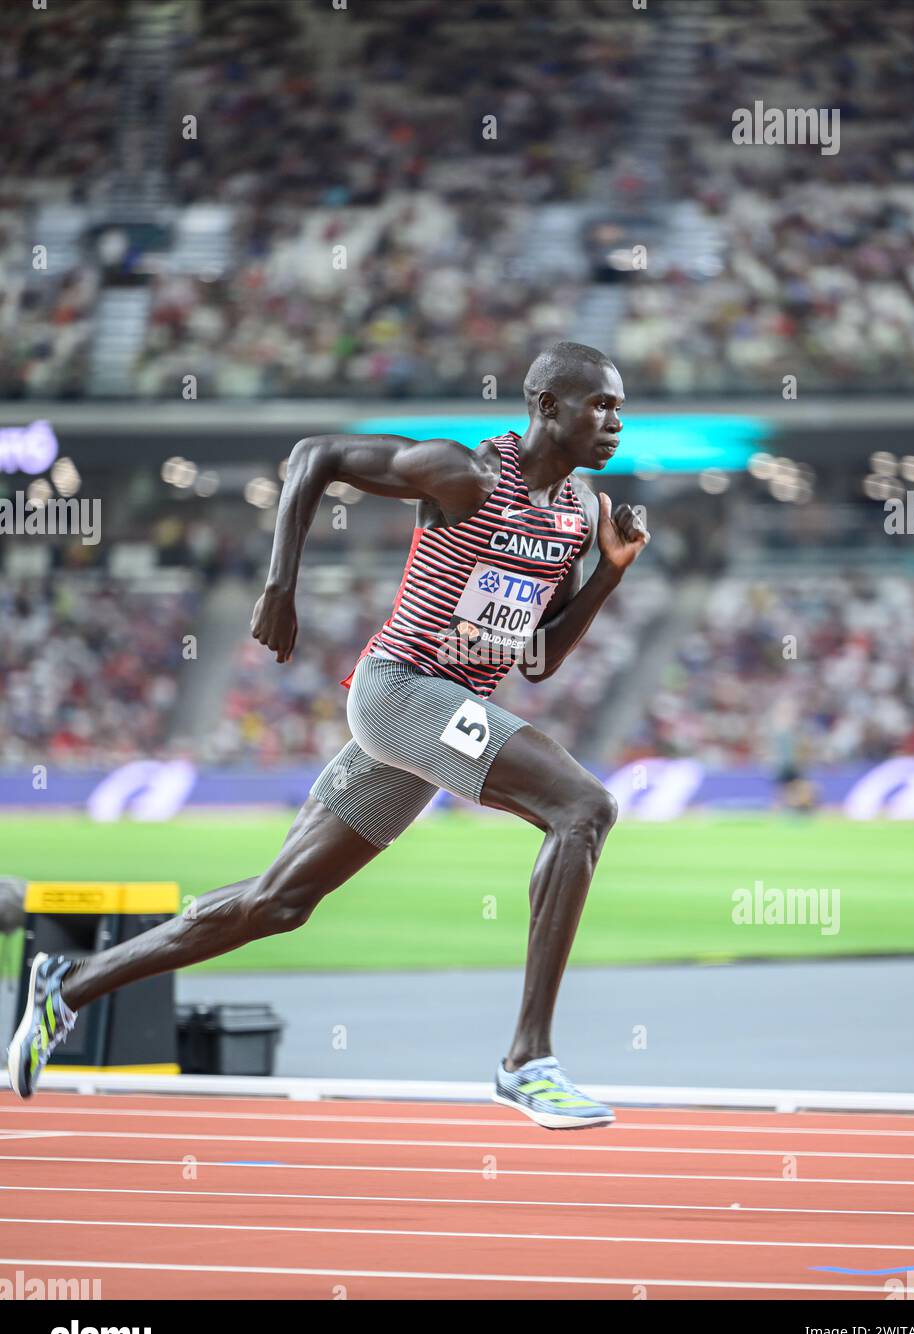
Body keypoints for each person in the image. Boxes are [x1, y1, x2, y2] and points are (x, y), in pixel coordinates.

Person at [7, 342, 649, 1129]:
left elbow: (541, 657)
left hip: (439, 715)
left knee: (277, 904)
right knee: (584, 808)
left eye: (620, 407)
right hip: (400, 692)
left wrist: (609, 574)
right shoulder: (465, 474)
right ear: (546, 406)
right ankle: (527, 1059)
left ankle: (65, 988)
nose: (615, 422)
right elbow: (314, 456)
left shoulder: (580, 514)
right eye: (601, 405)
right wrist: (279, 587)